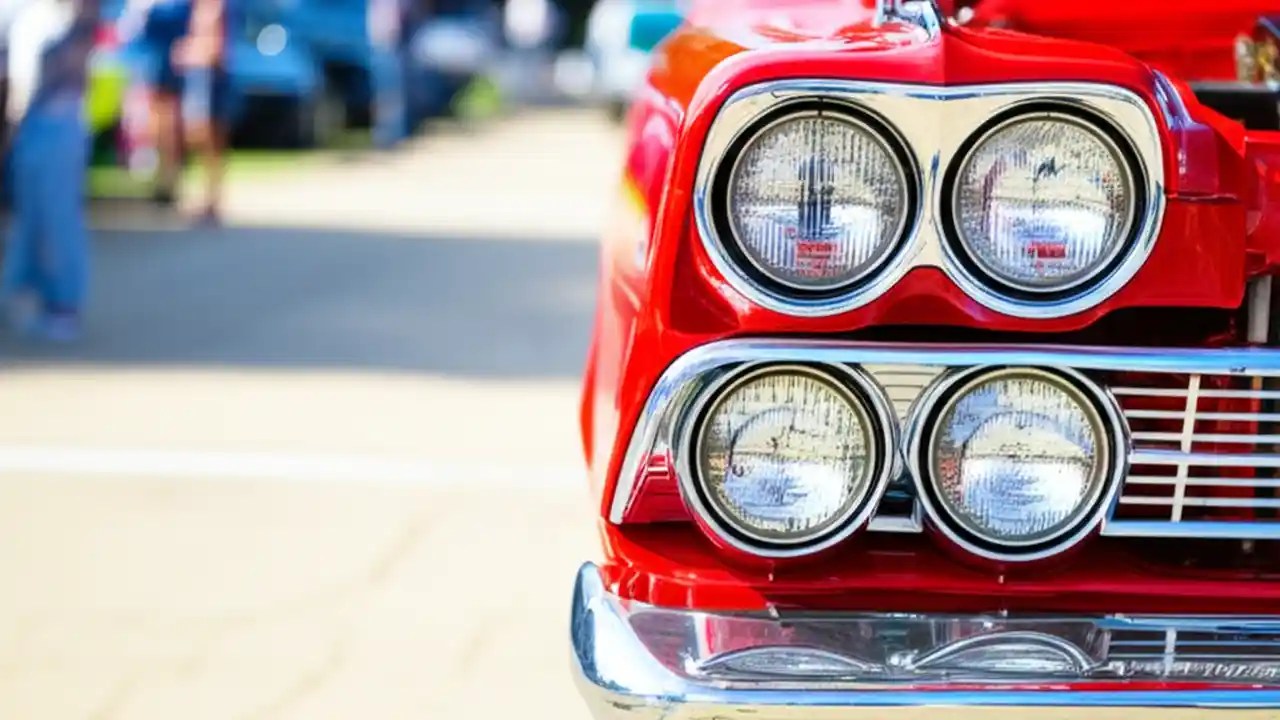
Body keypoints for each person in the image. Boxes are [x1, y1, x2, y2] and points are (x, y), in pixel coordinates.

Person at [4, 0, 97, 340]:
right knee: (32, 218)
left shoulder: (67, 17)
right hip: (35, 124)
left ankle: (63, 304)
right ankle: (34, 297)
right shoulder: (31, 13)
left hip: (55, 121)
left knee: (58, 219)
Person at [119, 0, 191, 205]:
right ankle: (164, 178)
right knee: (160, 118)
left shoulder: (162, 9)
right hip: (156, 61)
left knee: (165, 118)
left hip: (162, 62)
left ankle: (167, 178)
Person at [173, 0, 230, 224]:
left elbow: (214, 47)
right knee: (204, 140)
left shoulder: (214, 5)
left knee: (206, 138)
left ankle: (210, 199)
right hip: (204, 75)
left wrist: (188, 53)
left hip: (208, 76)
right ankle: (208, 197)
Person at [368, 0, 405, 148]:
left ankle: (392, 134)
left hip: (387, 47)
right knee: (384, 96)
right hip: (379, 47)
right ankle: (387, 134)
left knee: (388, 95)